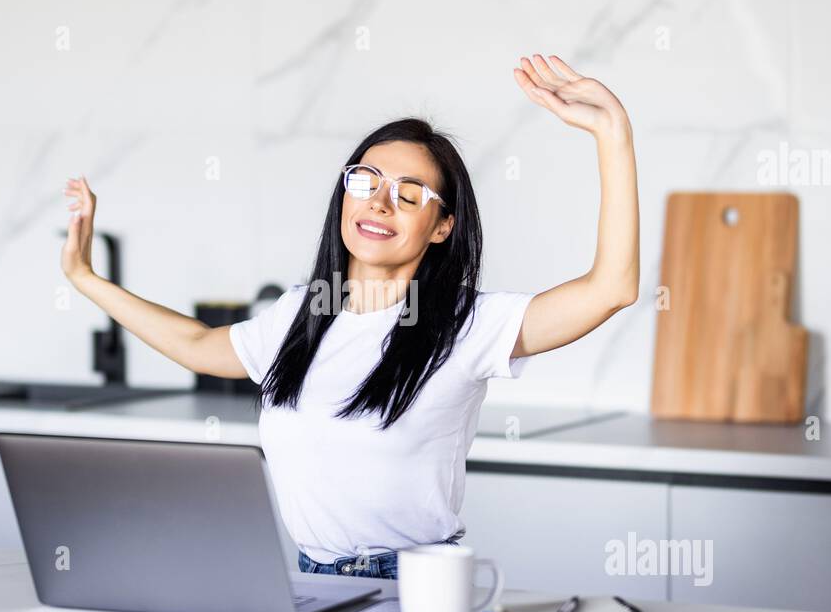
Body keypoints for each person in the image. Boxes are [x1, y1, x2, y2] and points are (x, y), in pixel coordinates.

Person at [60, 53, 639, 580]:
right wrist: (86, 278)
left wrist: (613, 135)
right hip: (311, 579)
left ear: (443, 228)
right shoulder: (302, 314)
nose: (380, 203)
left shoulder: (467, 326)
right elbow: (196, 343)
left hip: (412, 586)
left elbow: (611, 289)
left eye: (410, 195)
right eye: (365, 181)